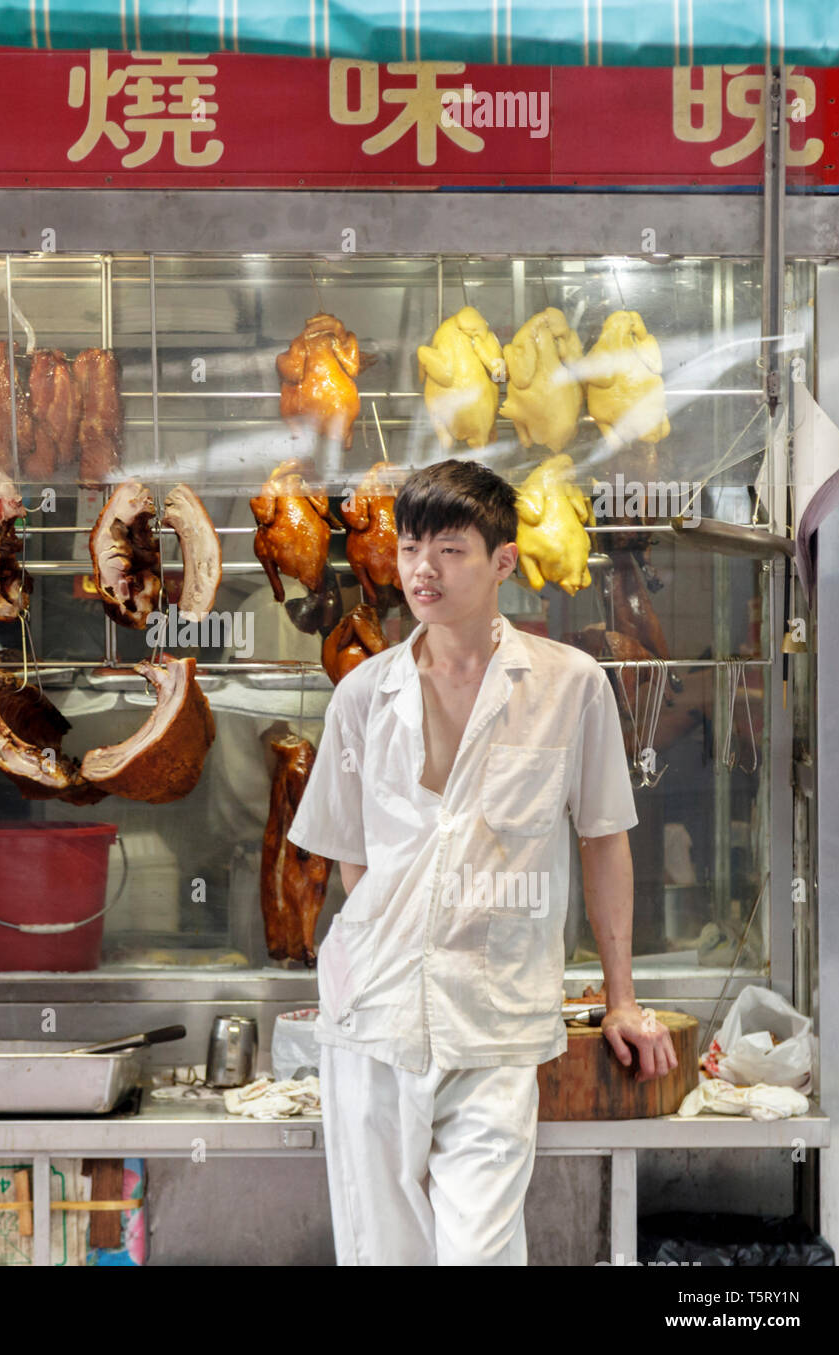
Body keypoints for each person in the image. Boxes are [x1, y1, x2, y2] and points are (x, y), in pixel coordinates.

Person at [286, 458, 678, 1266]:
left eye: (450, 549)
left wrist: (623, 998)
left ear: (503, 562)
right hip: (372, 1028)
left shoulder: (570, 686)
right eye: (412, 546)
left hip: (495, 1024)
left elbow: (604, 842)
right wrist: (392, 954)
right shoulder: (363, 696)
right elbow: (354, 864)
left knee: (480, 1254)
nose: (422, 569)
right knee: (382, 1255)